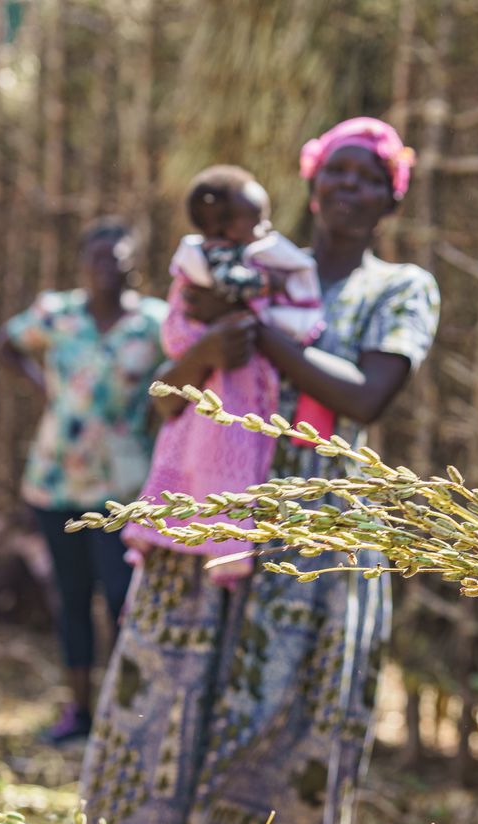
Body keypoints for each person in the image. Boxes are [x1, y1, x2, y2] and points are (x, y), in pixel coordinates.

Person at [80, 117, 440, 824]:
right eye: (337, 172)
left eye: (370, 177)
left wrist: (261, 329)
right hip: (213, 511)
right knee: (168, 687)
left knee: (292, 714)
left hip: (319, 535)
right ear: (309, 187)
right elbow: (167, 394)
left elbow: (367, 396)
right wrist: (213, 346)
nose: (350, 187)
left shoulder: (400, 289)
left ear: (392, 199)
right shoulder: (248, 264)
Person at [0, 218, 167, 744]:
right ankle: (78, 710)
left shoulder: (153, 323)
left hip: (122, 484)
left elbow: (187, 373)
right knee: (72, 596)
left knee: (120, 595)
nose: (105, 269)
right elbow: (5, 343)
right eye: (96, 259)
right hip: (55, 478)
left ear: (132, 265)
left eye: (116, 260)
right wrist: (46, 388)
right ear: (82, 263)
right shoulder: (58, 314)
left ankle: (123, 714)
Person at [123, 165, 334, 581]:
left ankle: (214, 541)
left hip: (231, 379)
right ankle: (221, 543)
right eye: (257, 221)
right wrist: (266, 292)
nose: (267, 229)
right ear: (225, 229)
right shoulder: (217, 261)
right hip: (219, 380)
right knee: (217, 451)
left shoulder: (242, 256)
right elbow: (240, 294)